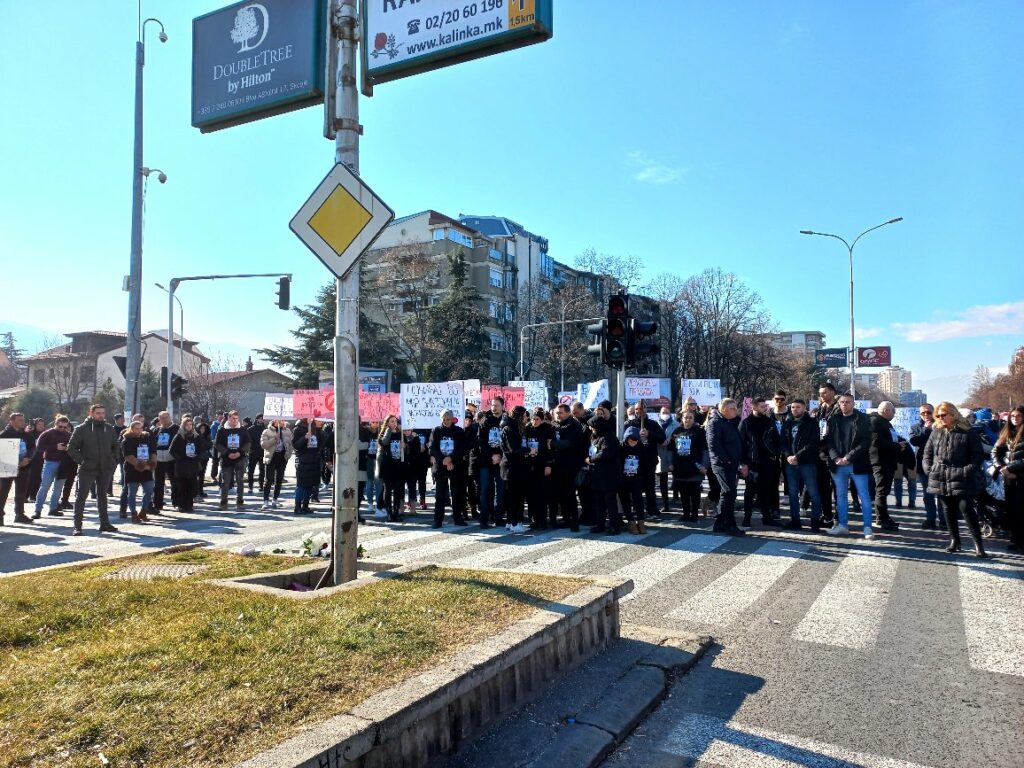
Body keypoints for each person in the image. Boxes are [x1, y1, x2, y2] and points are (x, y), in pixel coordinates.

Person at [923, 402, 987, 557]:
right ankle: (954, 541)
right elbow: (928, 452)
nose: (940, 418)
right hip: (941, 476)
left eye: (943, 415)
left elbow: (977, 456)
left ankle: (978, 545)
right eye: (938, 415)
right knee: (947, 510)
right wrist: (929, 469)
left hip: (961, 476)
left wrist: (966, 471)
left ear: (952, 414)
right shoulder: (936, 431)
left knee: (966, 509)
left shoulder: (968, 432)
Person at [826, 393, 875, 539]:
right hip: (838, 464)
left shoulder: (863, 419)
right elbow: (829, 440)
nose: (845, 404)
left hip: (857, 464)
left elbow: (866, 442)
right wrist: (835, 458)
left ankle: (867, 527)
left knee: (864, 496)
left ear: (853, 404)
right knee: (840, 496)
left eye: (848, 402)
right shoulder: (833, 419)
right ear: (839, 404)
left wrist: (849, 457)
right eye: (842, 402)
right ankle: (843, 526)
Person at [66, 404, 120, 535]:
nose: (101, 415)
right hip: (88, 468)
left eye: (103, 413)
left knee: (103, 497)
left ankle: (105, 524)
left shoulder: (109, 428)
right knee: (81, 497)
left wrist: (113, 460)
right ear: (91, 413)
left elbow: (116, 446)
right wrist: (83, 462)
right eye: (98, 413)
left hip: (105, 468)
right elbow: (71, 448)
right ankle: (77, 527)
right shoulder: (81, 429)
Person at [738, 397, 782, 528]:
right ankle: (747, 517)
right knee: (750, 491)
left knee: (766, 491)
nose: (765, 408)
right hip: (752, 462)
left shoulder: (769, 422)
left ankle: (766, 517)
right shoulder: (746, 423)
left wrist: (775, 454)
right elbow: (741, 445)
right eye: (762, 406)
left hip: (768, 461)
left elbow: (776, 441)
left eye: (765, 406)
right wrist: (744, 463)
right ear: (754, 407)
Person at [780, 399, 823, 531]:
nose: (794, 409)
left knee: (813, 492)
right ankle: (795, 520)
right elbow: (783, 442)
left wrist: (797, 456)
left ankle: (815, 521)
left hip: (807, 462)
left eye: (798, 407)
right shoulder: (787, 423)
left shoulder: (811, 423)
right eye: (792, 407)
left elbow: (813, 443)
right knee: (792, 493)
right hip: (790, 463)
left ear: (804, 408)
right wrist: (788, 456)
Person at [707, 398, 746, 535]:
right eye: (732, 408)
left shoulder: (730, 422)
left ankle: (719, 523)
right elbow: (714, 445)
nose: (736, 410)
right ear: (724, 410)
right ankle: (730, 524)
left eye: (736, 408)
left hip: (731, 463)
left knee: (726, 493)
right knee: (730, 492)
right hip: (722, 464)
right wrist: (727, 461)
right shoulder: (715, 422)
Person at [992, 405, 1024, 552]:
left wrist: (1010, 469)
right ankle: (1016, 540)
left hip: (1021, 476)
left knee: (1021, 510)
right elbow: (995, 452)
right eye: (1013, 416)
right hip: (1008, 478)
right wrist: (1001, 468)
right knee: (1012, 509)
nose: (1015, 419)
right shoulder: (1006, 432)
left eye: (1018, 416)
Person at [429, 409, 467, 528]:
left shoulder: (459, 431)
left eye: (448, 419)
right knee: (440, 495)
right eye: (444, 419)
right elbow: (432, 447)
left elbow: (463, 448)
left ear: (452, 419)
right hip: (441, 466)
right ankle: (438, 520)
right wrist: (443, 459)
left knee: (456, 494)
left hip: (455, 466)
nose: (446, 421)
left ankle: (458, 518)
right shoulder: (436, 430)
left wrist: (451, 458)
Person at [586, 407, 622, 534]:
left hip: (608, 475)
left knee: (610, 502)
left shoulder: (609, 437)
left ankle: (614, 526)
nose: (591, 429)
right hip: (597, 475)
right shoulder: (595, 437)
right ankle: (600, 524)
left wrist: (591, 459)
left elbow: (605, 453)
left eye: (592, 426)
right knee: (599, 502)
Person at [869, 401, 904, 532]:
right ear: (885, 411)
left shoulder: (885, 422)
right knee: (881, 491)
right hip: (880, 461)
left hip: (888, 461)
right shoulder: (875, 422)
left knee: (885, 490)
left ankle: (884, 516)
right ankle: (881, 519)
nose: (894, 414)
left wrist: (899, 442)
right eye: (893, 411)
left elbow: (890, 438)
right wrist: (897, 446)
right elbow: (877, 442)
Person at [551, 402, 585, 531]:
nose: (558, 415)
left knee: (570, 494)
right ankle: (566, 518)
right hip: (559, 465)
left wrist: (553, 443)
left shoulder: (574, 425)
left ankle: (573, 521)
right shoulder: (558, 425)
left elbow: (569, 443)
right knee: (561, 494)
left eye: (560, 413)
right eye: (557, 413)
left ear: (567, 412)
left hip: (570, 465)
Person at [32, 415, 73, 519]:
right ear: (55, 424)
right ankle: (37, 510)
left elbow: (75, 447)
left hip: (63, 463)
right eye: (60, 426)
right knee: (44, 487)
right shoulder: (47, 434)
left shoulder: (69, 435)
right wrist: (55, 447)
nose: (62, 429)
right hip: (50, 462)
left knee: (58, 488)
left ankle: (53, 508)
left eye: (65, 427)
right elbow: (39, 448)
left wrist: (68, 448)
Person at [672, 409, 708, 522]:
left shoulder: (699, 431)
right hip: (680, 467)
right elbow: (671, 449)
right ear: (682, 418)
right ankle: (686, 514)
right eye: (685, 417)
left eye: (690, 417)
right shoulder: (677, 431)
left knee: (695, 493)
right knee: (683, 493)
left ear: (693, 419)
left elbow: (705, 450)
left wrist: (704, 465)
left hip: (695, 467)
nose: (687, 419)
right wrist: (670, 464)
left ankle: (695, 514)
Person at [909, 403, 940, 529]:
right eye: (923, 413)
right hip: (924, 465)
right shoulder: (916, 427)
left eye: (928, 412)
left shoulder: (940, 425)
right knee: (928, 494)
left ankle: (944, 519)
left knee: (942, 494)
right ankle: (931, 518)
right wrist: (926, 430)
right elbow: (914, 441)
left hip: (940, 464)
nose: (926, 415)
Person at [499, 405, 529, 534]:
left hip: (515, 466)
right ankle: (514, 523)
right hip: (512, 466)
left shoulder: (513, 427)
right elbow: (513, 449)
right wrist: (529, 450)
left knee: (514, 495)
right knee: (514, 496)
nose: (526, 418)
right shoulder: (510, 428)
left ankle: (511, 521)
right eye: (525, 416)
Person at [0, 413, 34, 525]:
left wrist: (28, 458)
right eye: (20, 420)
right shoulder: (4, 434)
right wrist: (17, 462)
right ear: (12, 421)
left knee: (21, 491)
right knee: (3, 491)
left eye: (23, 420)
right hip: (8, 466)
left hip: (24, 466)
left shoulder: (26, 434)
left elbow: (32, 448)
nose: (22, 422)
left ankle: (19, 514)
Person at [815, 382, 841, 526]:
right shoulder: (820, 408)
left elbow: (834, 432)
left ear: (832, 392)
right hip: (820, 453)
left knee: (837, 488)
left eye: (824, 392)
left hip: (833, 452)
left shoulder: (838, 408)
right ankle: (827, 515)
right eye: (820, 393)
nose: (822, 396)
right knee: (823, 487)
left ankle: (838, 517)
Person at [121, 418, 156, 522]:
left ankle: (143, 511)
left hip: (147, 469)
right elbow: (128, 456)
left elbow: (153, 451)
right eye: (136, 429)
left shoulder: (147, 438)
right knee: (132, 493)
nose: (139, 430)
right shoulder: (127, 440)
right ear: (131, 429)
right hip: (133, 469)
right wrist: (140, 465)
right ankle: (133, 513)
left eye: (140, 428)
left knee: (149, 491)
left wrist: (151, 463)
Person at [479, 396, 506, 528]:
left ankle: (498, 517)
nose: (494, 407)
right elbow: (481, 442)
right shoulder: (485, 421)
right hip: (486, 461)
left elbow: (509, 441)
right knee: (485, 490)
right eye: (492, 405)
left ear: (502, 406)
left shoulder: (506, 421)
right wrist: (492, 455)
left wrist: (500, 455)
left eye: (496, 405)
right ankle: (484, 519)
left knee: (500, 491)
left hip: (501, 462)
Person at [215, 410, 250, 509]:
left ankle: (240, 501)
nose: (235, 421)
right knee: (225, 481)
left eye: (236, 419)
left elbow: (247, 443)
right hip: (226, 459)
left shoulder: (243, 430)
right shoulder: (222, 430)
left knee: (240, 481)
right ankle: (224, 501)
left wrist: (240, 452)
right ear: (229, 418)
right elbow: (217, 444)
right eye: (233, 418)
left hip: (240, 458)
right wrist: (227, 453)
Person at [168, 416, 202, 513]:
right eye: (187, 425)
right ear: (183, 425)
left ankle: (189, 505)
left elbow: (201, 448)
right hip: (181, 465)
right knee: (182, 486)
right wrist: (180, 458)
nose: (189, 427)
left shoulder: (196, 436)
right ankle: (181, 505)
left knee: (191, 486)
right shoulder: (179, 436)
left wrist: (196, 457)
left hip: (192, 465)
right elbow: (172, 450)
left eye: (190, 425)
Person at [619, 426, 649, 534]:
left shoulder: (641, 447)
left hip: (636, 478)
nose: (633, 442)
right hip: (624, 478)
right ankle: (631, 522)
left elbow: (645, 463)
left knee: (638, 500)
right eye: (630, 439)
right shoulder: (621, 447)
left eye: (635, 440)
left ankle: (641, 521)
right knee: (625, 500)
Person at [292, 419, 324, 515]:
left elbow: (321, 445)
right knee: (301, 485)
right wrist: (305, 438)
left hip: (314, 461)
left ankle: (305, 506)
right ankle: (297, 507)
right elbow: (296, 445)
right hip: (303, 461)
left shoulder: (318, 430)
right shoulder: (298, 429)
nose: (321, 421)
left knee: (310, 485)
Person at [259, 419, 293, 510]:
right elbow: (263, 445)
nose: (281, 422)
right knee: (268, 480)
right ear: (274, 421)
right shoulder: (267, 431)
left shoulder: (287, 431)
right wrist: (274, 439)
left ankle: (275, 499)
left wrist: (288, 455)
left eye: (282, 420)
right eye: (279, 420)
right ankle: (265, 501)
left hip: (282, 457)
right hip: (271, 457)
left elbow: (290, 444)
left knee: (279, 479)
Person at [378, 415, 405, 522]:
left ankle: (396, 512)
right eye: (391, 421)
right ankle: (389, 512)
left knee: (398, 490)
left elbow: (406, 452)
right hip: (387, 466)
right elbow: (384, 442)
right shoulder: (384, 434)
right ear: (387, 423)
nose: (394, 423)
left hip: (398, 467)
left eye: (395, 421)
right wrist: (389, 430)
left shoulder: (400, 434)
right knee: (388, 491)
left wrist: (405, 446)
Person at [150, 411, 179, 513]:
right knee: (158, 483)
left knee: (174, 482)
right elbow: (152, 444)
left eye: (166, 417)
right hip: (159, 460)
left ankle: (176, 502)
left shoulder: (176, 429)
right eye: (161, 418)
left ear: (169, 417)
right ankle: (158, 504)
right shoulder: (156, 430)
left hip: (171, 459)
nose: (164, 420)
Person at [655, 406, 680, 514]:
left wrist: (670, 440)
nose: (665, 414)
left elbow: (679, 436)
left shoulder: (676, 424)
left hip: (672, 453)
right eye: (663, 412)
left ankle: (676, 497)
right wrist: (659, 441)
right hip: (660, 454)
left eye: (667, 412)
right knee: (663, 480)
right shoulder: (655, 424)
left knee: (677, 477)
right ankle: (666, 504)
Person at [24, 417, 46, 503]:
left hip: (41, 458)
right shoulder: (30, 434)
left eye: (42, 425)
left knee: (38, 478)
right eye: (39, 424)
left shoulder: (46, 434)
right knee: (29, 478)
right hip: (30, 458)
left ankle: (33, 496)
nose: (41, 426)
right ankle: (25, 496)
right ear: (35, 425)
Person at [246, 414, 265, 494]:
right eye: (259, 418)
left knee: (262, 470)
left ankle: (261, 486)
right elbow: (247, 440)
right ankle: (250, 486)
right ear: (256, 419)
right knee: (251, 470)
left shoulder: (265, 429)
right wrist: (249, 449)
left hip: (262, 451)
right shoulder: (250, 429)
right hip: (253, 451)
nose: (261, 420)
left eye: (262, 419)